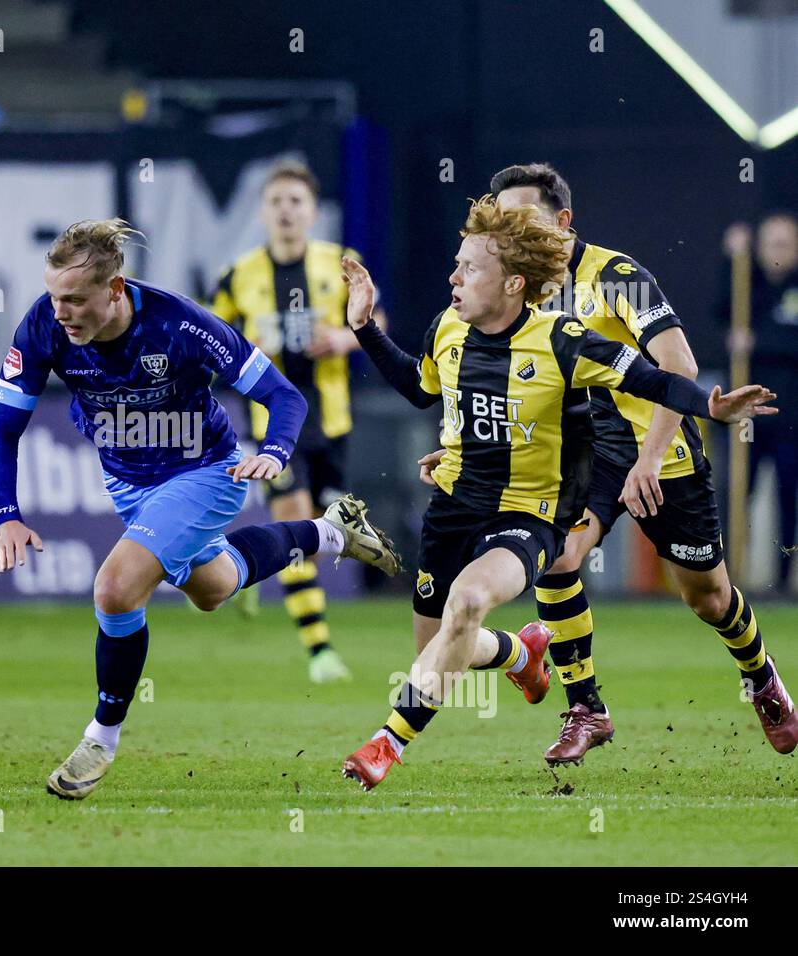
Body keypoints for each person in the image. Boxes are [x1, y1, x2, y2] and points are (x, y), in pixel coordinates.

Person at [338, 195, 781, 791]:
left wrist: (696, 416)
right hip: (522, 480)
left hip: (636, 459)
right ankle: (552, 680)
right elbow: (432, 392)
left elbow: (662, 371)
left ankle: (759, 678)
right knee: (481, 614)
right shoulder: (454, 326)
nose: (455, 275)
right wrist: (368, 331)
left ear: (554, 229)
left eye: (470, 264)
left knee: (705, 597)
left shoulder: (604, 294)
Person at [0, 218, 401, 801]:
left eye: (75, 299)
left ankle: (100, 737)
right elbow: (3, 431)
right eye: (55, 297)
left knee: (114, 588)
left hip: (207, 472)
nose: (62, 312)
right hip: (129, 485)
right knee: (212, 588)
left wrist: (276, 451)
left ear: (115, 289)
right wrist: (6, 513)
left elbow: (283, 395)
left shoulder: (180, 324)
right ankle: (328, 534)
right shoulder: (42, 326)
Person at [483, 165, 797, 764]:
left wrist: (648, 462)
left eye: (521, 216)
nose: (509, 229)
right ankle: (586, 709)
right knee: (558, 553)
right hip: (583, 452)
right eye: (503, 219)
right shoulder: (516, 287)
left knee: (706, 597)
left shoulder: (620, 276)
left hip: (660, 446)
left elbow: (679, 367)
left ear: (563, 221)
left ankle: (761, 677)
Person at [210, 160, 370, 683]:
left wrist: (345, 339)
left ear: (313, 212)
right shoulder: (238, 277)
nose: (286, 210)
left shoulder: (340, 265)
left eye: (295, 201)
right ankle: (320, 651)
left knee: (322, 533)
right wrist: (242, 357)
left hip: (332, 421)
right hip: (274, 426)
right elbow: (210, 342)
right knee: (300, 515)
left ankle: (248, 563)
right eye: (276, 201)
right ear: (262, 212)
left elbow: (375, 322)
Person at [719, 211, 798, 593]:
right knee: (734, 492)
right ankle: (726, 576)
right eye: (770, 244)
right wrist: (730, 259)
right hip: (746, 416)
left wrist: (758, 343)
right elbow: (721, 313)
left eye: (785, 244)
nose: (777, 252)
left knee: (788, 496)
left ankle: (783, 581)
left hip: (790, 417)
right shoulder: (747, 282)